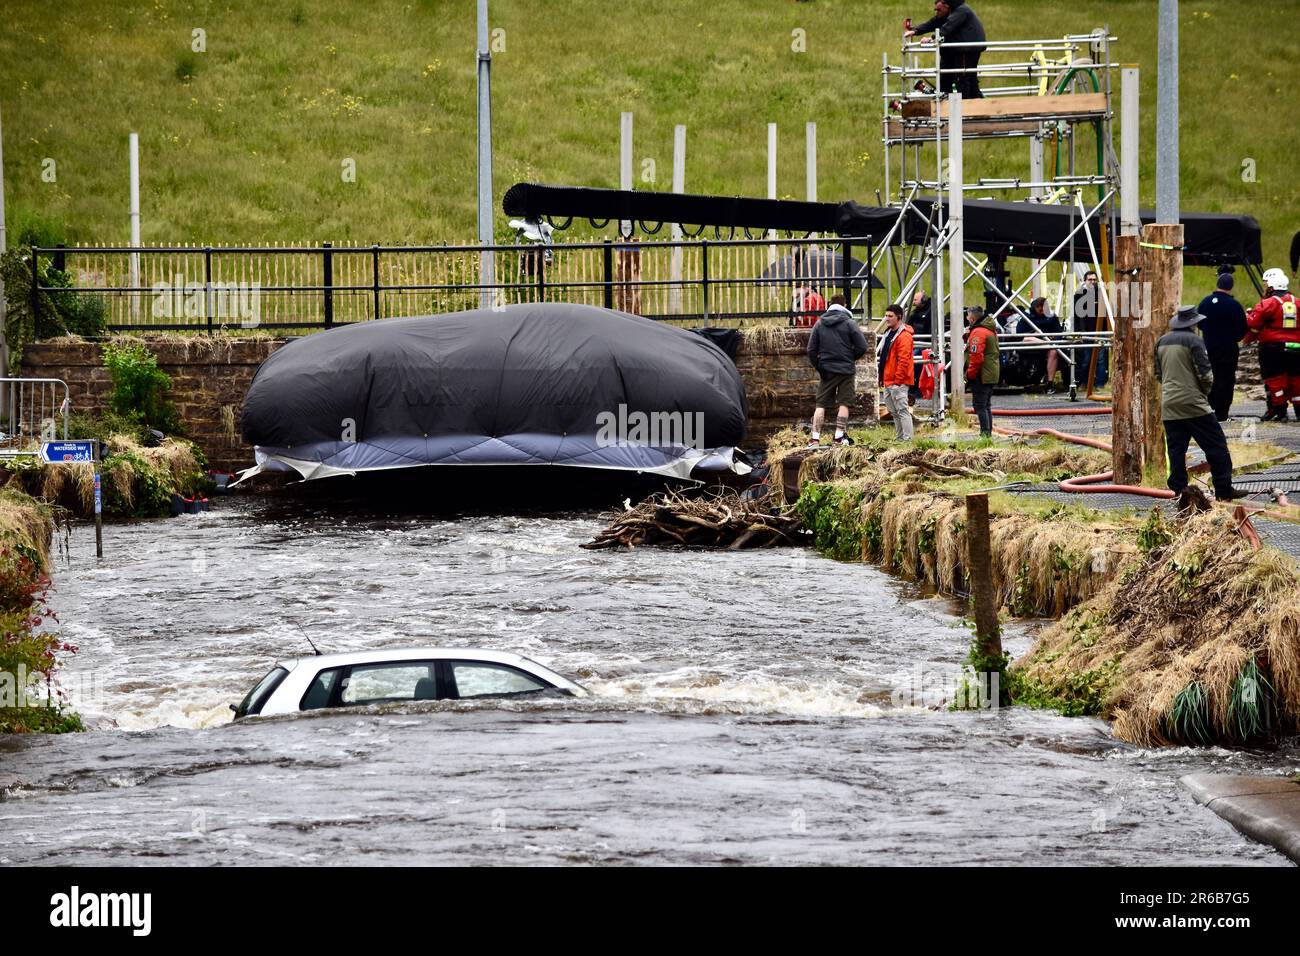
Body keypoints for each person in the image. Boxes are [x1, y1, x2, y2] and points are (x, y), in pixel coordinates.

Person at [1155, 306, 1248, 501]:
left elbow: (1158, 373)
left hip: (1169, 405)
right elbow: (1205, 375)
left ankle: (1179, 492)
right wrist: (1203, 393)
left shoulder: (1161, 341)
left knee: (1176, 451)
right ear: (1193, 323)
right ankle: (1223, 489)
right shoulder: (1194, 341)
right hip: (1194, 404)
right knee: (1217, 446)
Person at [806, 295, 868, 446]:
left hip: (827, 370)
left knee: (820, 404)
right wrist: (850, 358)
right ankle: (838, 437)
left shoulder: (820, 323)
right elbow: (862, 346)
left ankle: (815, 439)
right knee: (844, 403)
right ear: (844, 305)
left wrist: (819, 366)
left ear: (829, 304)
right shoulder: (849, 323)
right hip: (846, 370)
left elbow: (811, 349)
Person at [1245, 267, 1300, 422]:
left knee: (1274, 380)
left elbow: (1253, 323)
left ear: (1271, 285)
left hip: (1272, 349)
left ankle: (1279, 411)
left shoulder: (1268, 303)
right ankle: (1299, 410)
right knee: (1296, 380)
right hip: (1296, 348)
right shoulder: (1297, 302)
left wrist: (1249, 315)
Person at [905, 0, 986, 99]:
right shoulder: (952, 12)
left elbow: (948, 27)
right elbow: (931, 23)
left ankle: (965, 104)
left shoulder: (961, 11)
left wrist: (932, 38)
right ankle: (973, 102)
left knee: (963, 78)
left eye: (939, 9)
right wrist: (915, 31)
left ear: (947, 7)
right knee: (966, 78)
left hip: (967, 50)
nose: (936, 12)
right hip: (962, 49)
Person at [1197, 272, 1249, 422]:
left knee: (1209, 377)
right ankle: (1222, 413)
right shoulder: (1234, 306)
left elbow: (1199, 323)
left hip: (1208, 347)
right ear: (1231, 287)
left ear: (1217, 284)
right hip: (1228, 349)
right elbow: (1242, 329)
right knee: (1226, 379)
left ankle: (1208, 409)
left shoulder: (1205, 302)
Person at [878, 304, 915, 441]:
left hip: (897, 381)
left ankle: (907, 439)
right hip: (888, 379)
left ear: (899, 317)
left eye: (890, 316)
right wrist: (881, 377)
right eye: (886, 315)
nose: (887, 318)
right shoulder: (889, 333)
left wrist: (898, 380)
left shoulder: (904, 336)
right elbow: (884, 357)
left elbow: (904, 360)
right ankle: (900, 438)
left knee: (902, 410)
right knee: (893, 411)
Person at [1017, 296, 1066, 391]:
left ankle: (1050, 383)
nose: (1042, 310)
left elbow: (1059, 332)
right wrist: (1034, 334)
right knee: (1027, 339)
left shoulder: (1051, 317)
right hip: (1031, 343)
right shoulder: (1026, 317)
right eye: (1039, 307)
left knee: (1053, 351)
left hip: (1049, 344)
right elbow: (1020, 334)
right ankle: (1046, 343)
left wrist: (1054, 338)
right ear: (1035, 307)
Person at [964, 305, 999, 437]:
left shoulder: (978, 332)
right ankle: (987, 434)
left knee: (980, 405)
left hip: (981, 374)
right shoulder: (989, 329)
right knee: (986, 405)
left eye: (968, 316)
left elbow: (976, 356)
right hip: (990, 372)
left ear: (972, 318)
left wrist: (970, 374)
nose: (967, 318)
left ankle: (984, 434)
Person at [1071, 270, 1108, 388]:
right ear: (1085, 281)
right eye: (1090, 279)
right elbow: (1077, 316)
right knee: (1086, 358)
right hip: (1086, 331)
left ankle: (1100, 384)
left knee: (1100, 358)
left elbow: (1106, 313)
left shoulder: (1101, 294)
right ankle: (1084, 382)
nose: (1092, 282)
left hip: (1100, 330)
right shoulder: (1078, 295)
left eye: (1094, 279)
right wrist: (1079, 332)